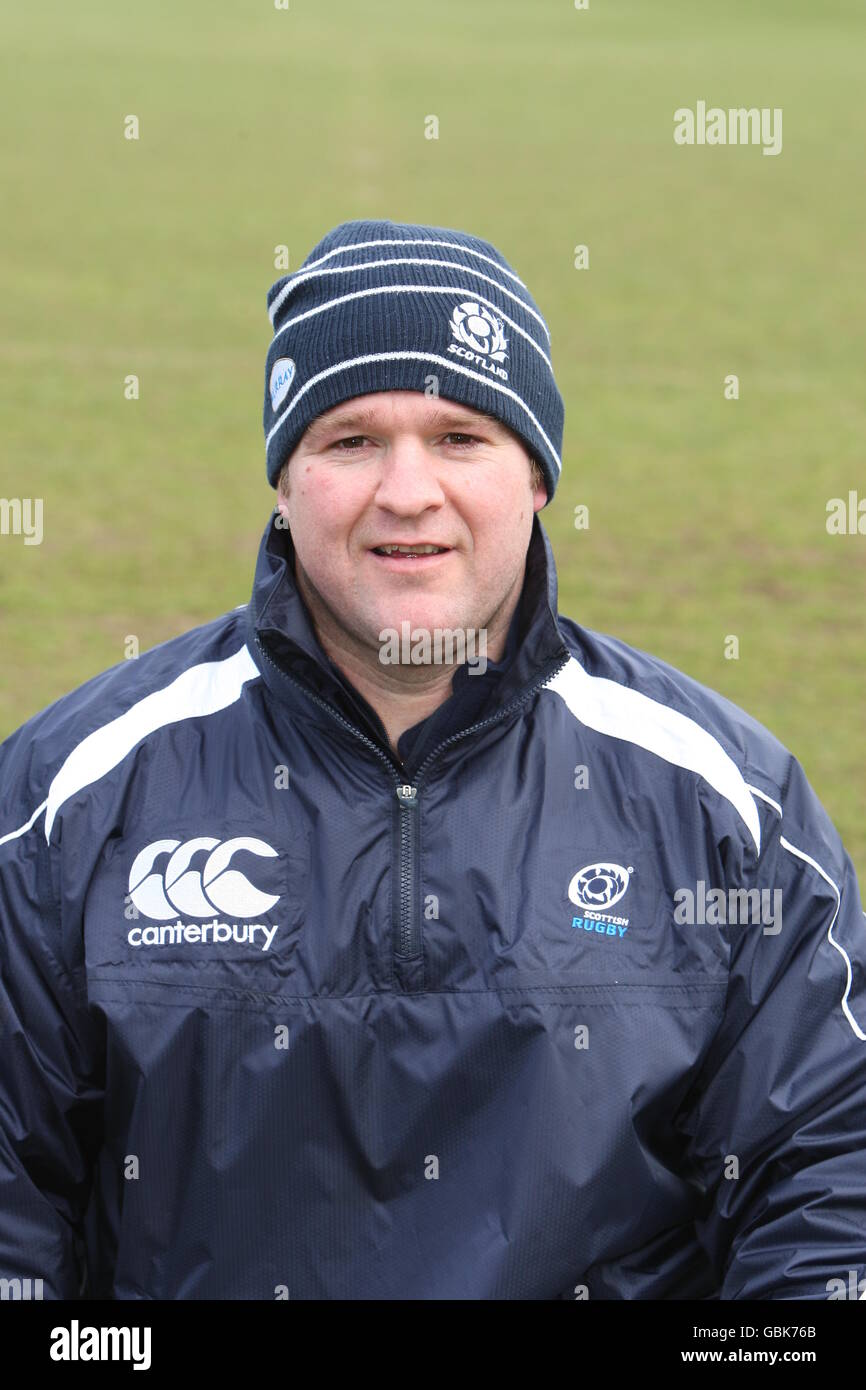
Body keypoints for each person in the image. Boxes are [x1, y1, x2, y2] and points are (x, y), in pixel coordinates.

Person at [0, 217, 864, 1302]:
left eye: (460, 436)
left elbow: (825, 1184)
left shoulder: (723, 809)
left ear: (537, 475)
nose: (407, 492)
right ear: (283, 480)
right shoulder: (69, 800)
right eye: (351, 440)